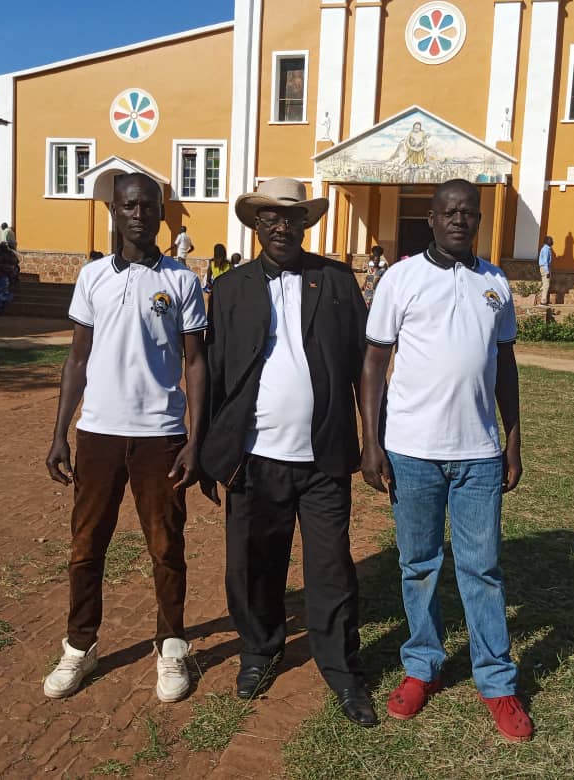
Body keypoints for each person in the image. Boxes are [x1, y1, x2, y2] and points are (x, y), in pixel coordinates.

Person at [359, 179, 533, 743]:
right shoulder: (400, 279)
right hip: (412, 450)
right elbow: (374, 363)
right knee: (419, 565)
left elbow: (504, 365)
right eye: (449, 212)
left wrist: (512, 439)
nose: (460, 220)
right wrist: (370, 441)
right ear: (431, 219)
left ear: (479, 220)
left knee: (482, 569)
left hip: (478, 453)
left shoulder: (495, 283)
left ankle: (496, 681)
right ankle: (423, 667)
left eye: (469, 213)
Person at [199, 177, 376, 727]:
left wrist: (373, 441)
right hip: (254, 457)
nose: (281, 227)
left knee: (331, 569)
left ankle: (342, 669)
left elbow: (364, 368)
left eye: (292, 218)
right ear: (257, 225)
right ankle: (259, 650)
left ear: (305, 224)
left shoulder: (337, 281)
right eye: (271, 217)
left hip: (324, 458)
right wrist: (208, 452)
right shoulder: (230, 288)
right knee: (253, 564)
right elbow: (215, 375)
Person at [43, 172, 209, 703]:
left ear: (162, 213)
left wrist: (195, 438)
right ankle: (80, 645)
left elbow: (196, 363)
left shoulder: (182, 281)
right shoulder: (92, 276)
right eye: (129, 206)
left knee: (166, 546)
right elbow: (77, 359)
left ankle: (172, 645)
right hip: (98, 434)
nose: (139, 214)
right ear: (114, 211)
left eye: (148, 206)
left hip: (161, 435)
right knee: (86, 545)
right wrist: (60, 432)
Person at [537, 235, 554, 306]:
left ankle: (542, 299)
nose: (552, 241)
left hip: (543, 267)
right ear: (547, 241)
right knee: (546, 284)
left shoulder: (545, 248)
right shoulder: (546, 249)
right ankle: (543, 301)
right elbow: (545, 261)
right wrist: (547, 271)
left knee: (544, 283)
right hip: (545, 267)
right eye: (550, 240)